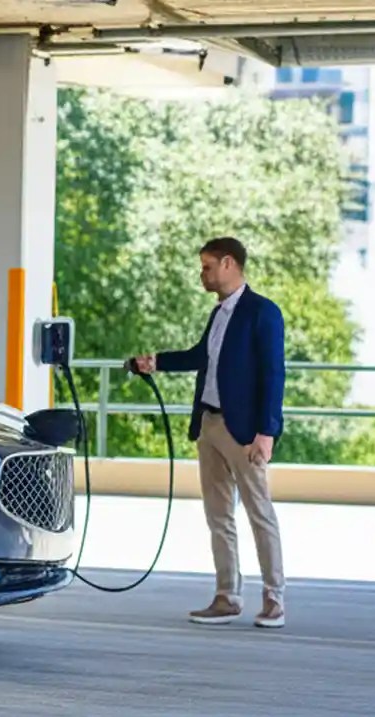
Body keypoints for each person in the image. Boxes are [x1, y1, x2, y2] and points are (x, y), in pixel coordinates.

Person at [132, 236, 286, 628]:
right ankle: (226, 596)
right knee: (218, 515)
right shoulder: (218, 313)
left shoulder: (262, 312)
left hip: (245, 432)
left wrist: (266, 433)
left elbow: (274, 375)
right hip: (210, 423)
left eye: (207, 266)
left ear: (229, 264)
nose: (202, 274)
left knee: (259, 513)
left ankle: (274, 599)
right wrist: (157, 362)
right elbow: (202, 356)